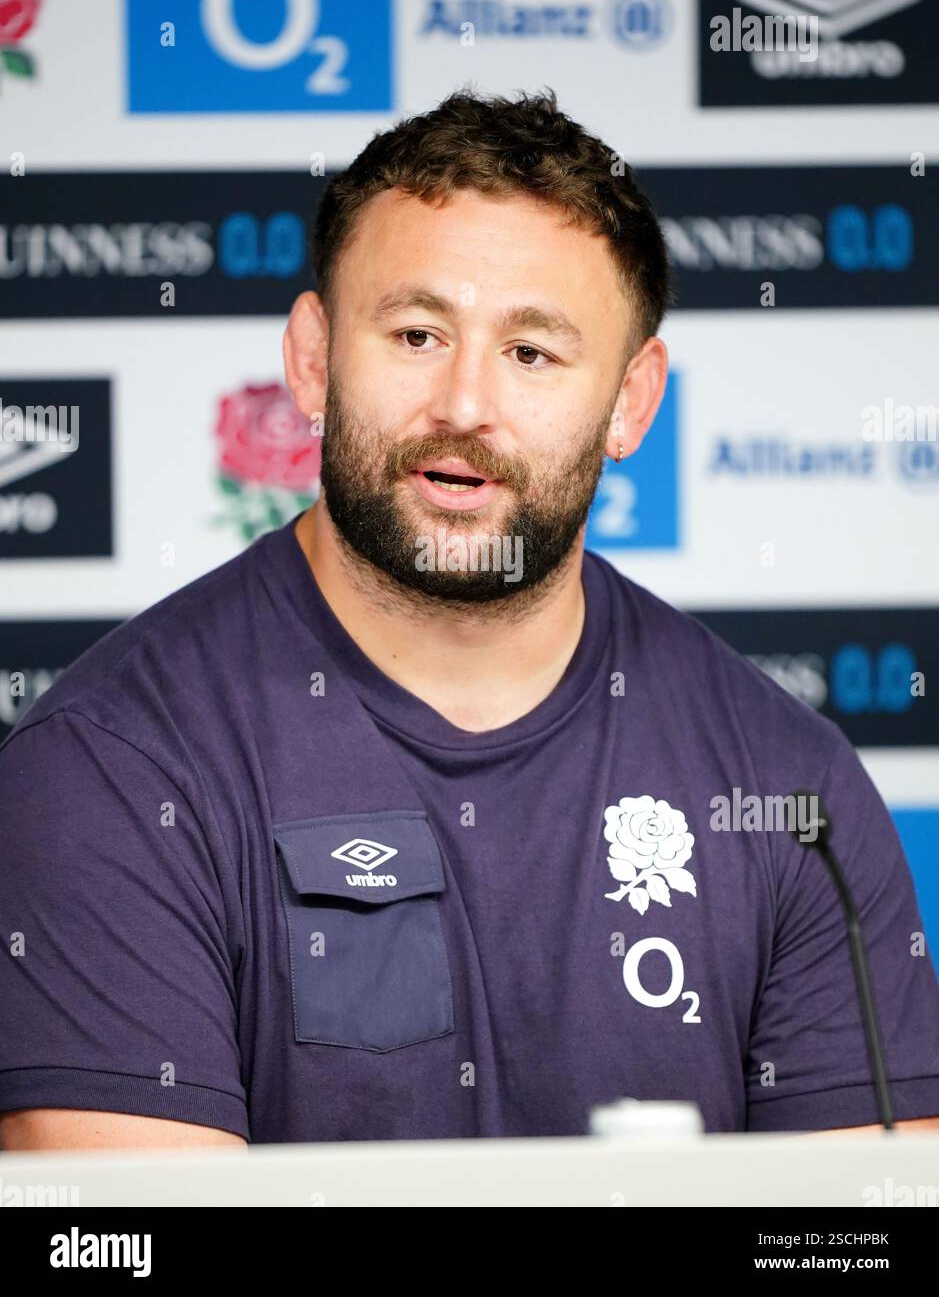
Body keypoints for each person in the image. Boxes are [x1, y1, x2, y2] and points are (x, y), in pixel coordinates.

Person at [1, 88, 937, 1151]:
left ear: (631, 403)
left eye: (531, 352)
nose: (463, 405)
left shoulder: (788, 793)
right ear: (311, 359)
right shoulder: (114, 768)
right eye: (416, 333)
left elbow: (851, 1223)